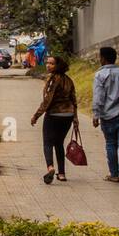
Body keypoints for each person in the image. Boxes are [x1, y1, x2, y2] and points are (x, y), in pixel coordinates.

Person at [30, 55, 79, 184]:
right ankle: (62, 174)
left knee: (47, 142)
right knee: (59, 143)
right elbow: (74, 101)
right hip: (67, 116)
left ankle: (50, 167)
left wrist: (36, 115)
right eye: (47, 63)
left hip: (54, 115)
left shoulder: (53, 80)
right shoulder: (69, 80)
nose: (48, 65)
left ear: (58, 65)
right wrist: (75, 119)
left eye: (51, 63)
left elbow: (47, 101)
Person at [92, 45, 119, 188]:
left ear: (102, 58)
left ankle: (114, 174)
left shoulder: (100, 75)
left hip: (108, 116)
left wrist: (95, 114)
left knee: (111, 144)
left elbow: (98, 97)